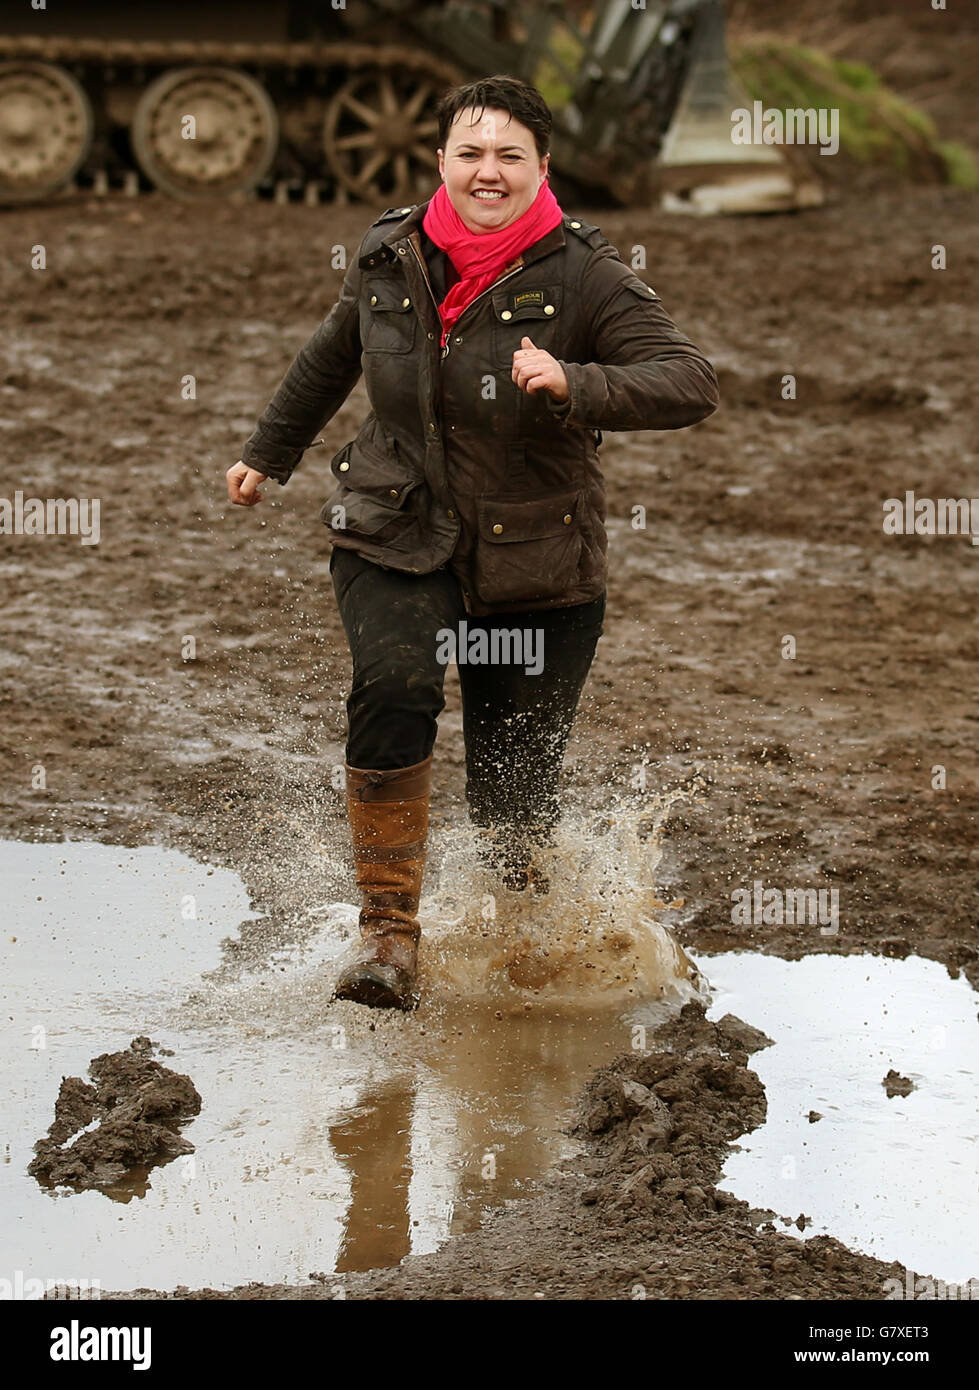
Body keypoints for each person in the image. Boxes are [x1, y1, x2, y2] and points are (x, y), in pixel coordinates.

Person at [226, 74, 719, 1012]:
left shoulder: (584, 274)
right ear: (440, 160)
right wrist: (268, 452)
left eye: (509, 156)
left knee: (511, 794)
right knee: (394, 683)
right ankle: (387, 935)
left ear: (543, 167)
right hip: (395, 528)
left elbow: (689, 380)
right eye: (470, 152)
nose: (487, 172)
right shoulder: (391, 250)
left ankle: (529, 945)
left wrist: (576, 382)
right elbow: (334, 352)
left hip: (536, 561)